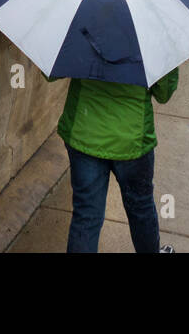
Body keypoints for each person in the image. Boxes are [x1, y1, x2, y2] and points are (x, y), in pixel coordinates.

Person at [46, 67, 180, 253]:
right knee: (140, 208)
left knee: (86, 215)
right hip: (132, 139)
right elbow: (163, 93)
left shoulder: (82, 36)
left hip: (84, 133)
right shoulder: (151, 40)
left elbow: (51, 72)